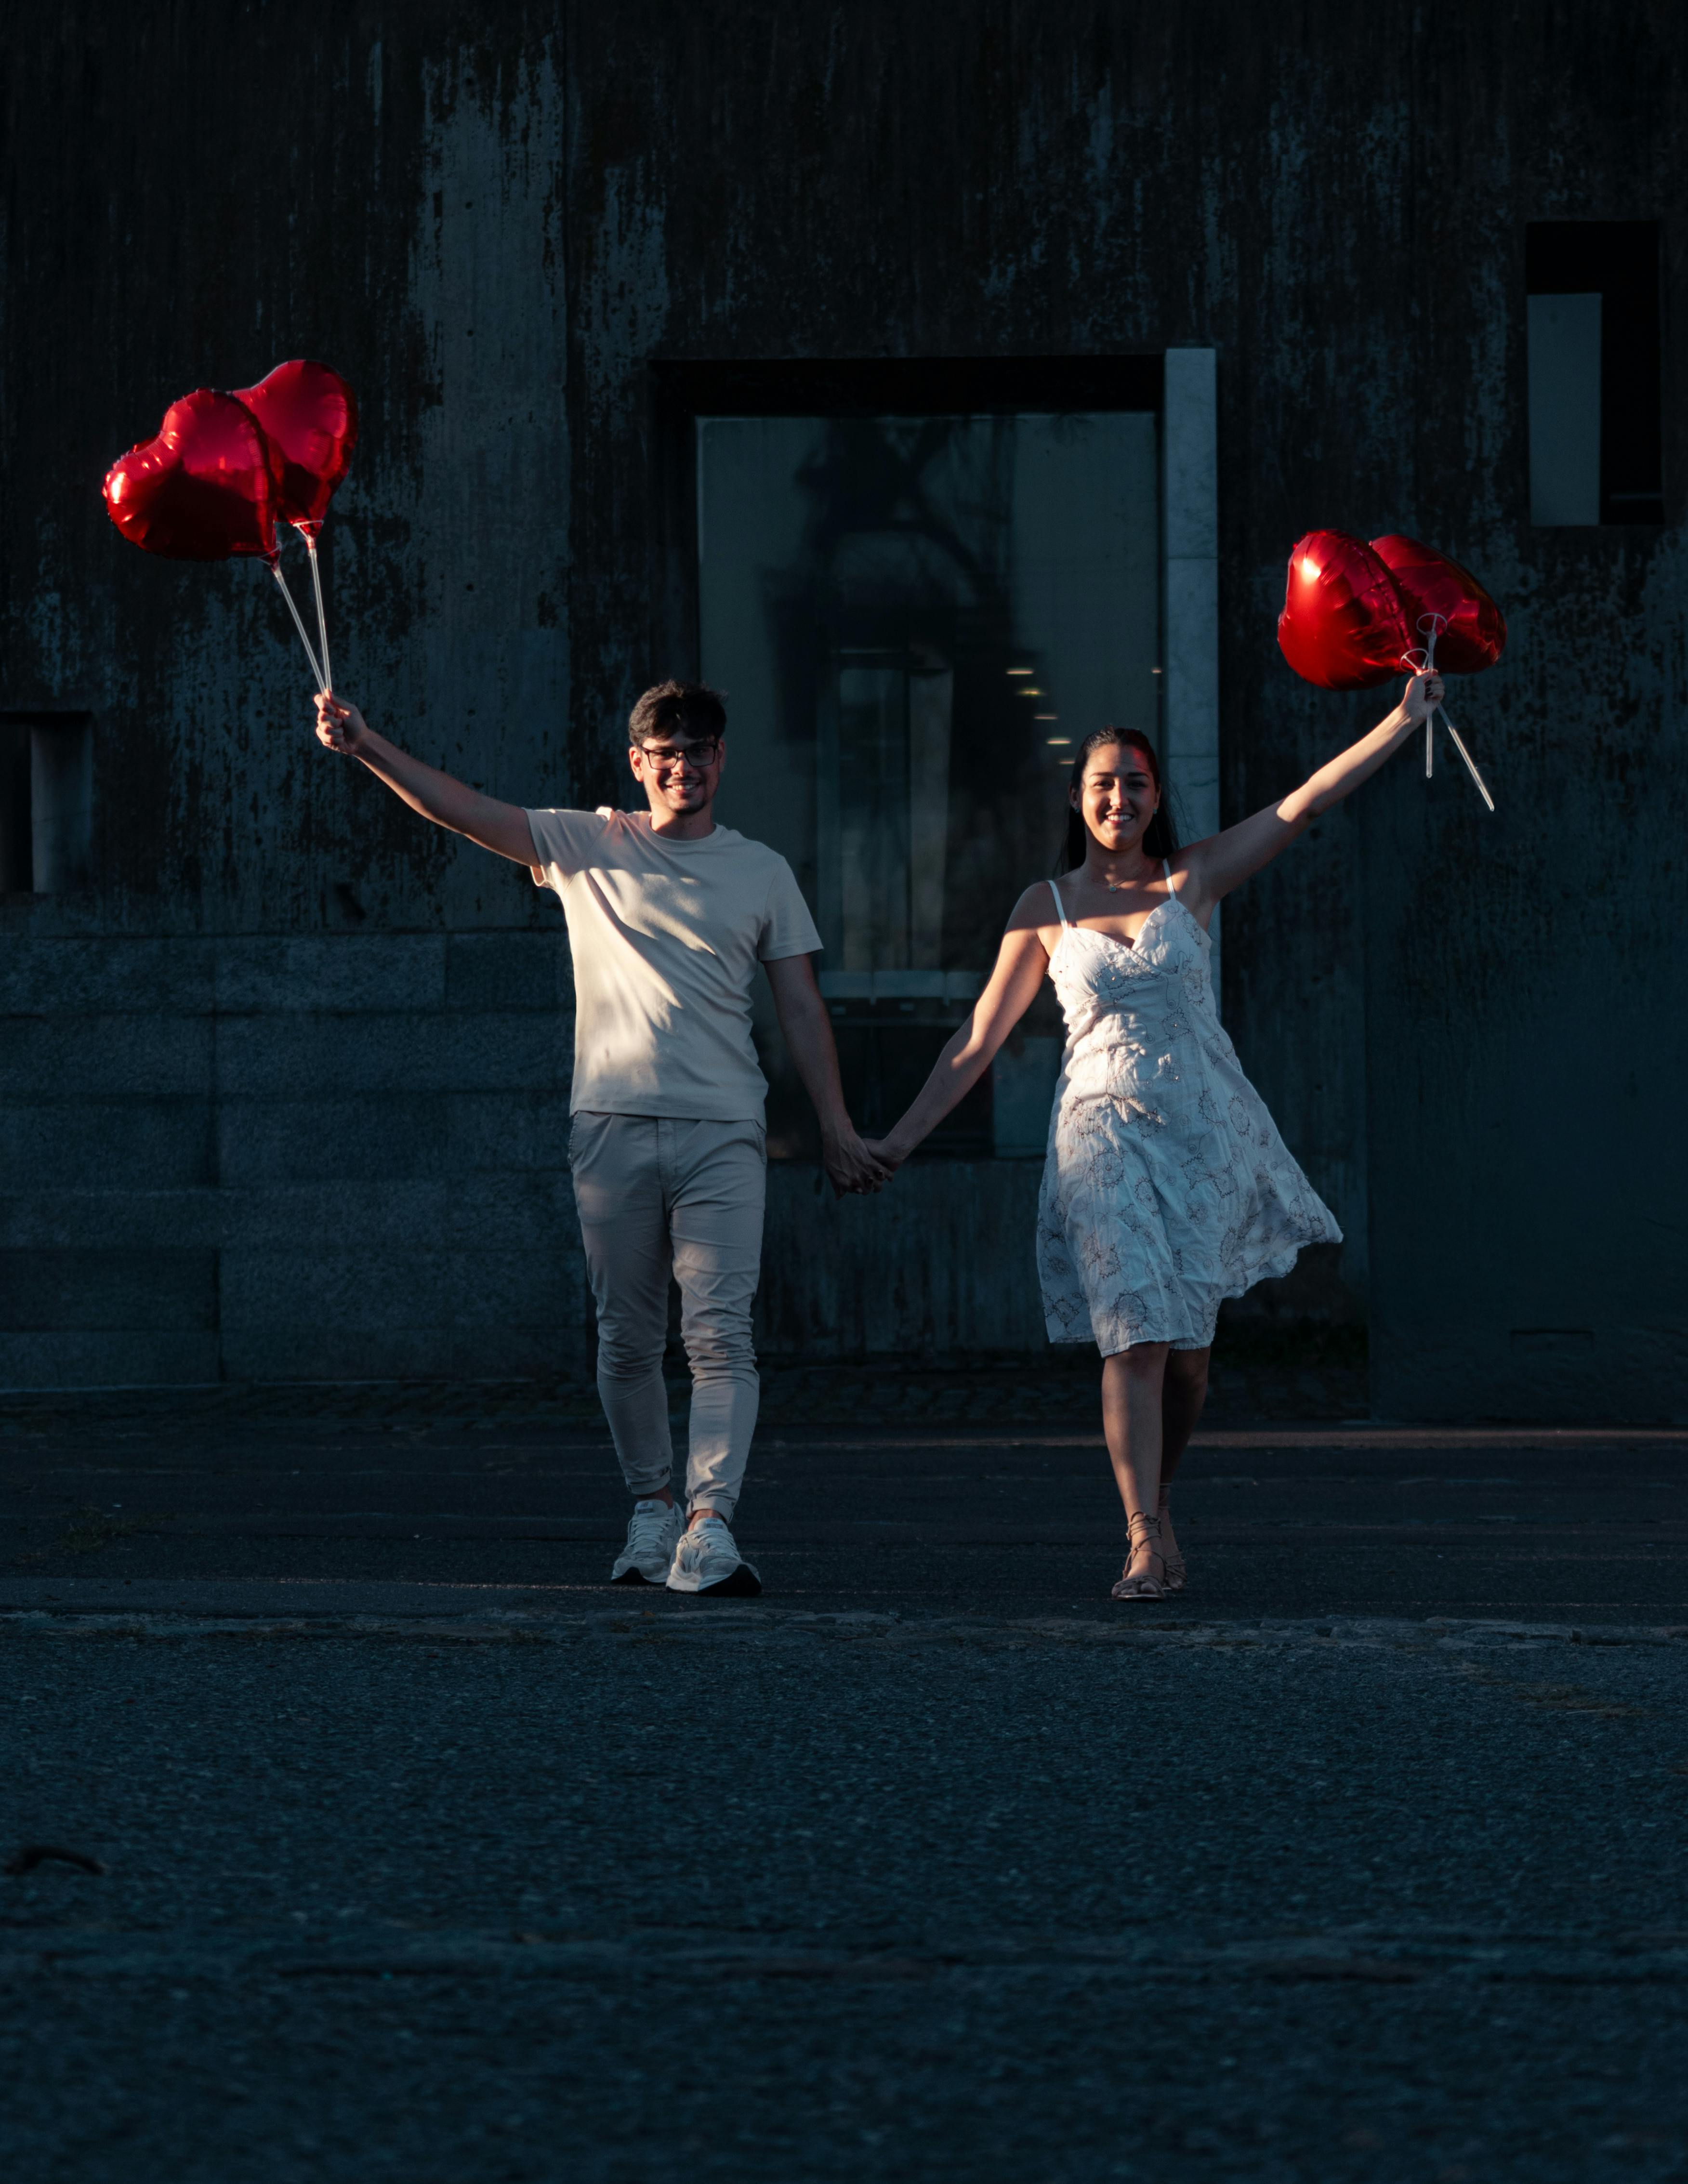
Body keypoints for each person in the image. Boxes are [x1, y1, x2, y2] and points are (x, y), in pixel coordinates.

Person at [865, 671, 1444, 1600]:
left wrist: (1399, 719)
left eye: (1135, 782)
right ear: (1076, 796)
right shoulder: (1044, 907)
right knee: (1132, 1334)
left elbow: (1305, 802)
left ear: (1156, 796)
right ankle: (1139, 1534)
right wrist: (898, 1138)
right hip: (1100, 1137)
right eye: (1102, 782)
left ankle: (1163, 1495)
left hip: (1200, 1141)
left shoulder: (1194, 878)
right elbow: (975, 1038)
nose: (1118, 797)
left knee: (1190, 1357)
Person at [314, 679, 886, 1597]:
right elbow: (464, 810)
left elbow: (801, 1006)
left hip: (724, 1129)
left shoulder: (763, 870)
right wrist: (368, 745)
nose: (684, 765)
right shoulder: (587, 842)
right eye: (666, 751)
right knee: (625, 1336)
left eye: (700, 749)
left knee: (721, 1336)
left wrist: (835, 1125)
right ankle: (652, 1508)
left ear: (722, 758)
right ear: (638, 762)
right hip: (612, 1125)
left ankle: (711, 1525)